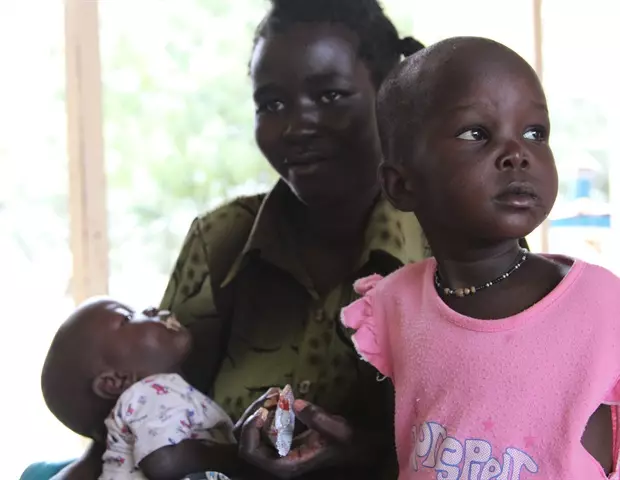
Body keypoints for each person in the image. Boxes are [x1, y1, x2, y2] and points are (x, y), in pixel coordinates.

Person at [21, 1, 427, 478]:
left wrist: (359, 453)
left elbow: (490, 442)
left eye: (330, 96)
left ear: (387, 96)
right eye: (272, 103)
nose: (297, 126)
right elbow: (128, 419)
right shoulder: (221, 243)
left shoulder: (449, 249)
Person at [341, 36, 620, 479]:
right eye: (476, 133)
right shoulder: (394, 305)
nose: (517, 155)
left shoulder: (600, 304)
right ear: (401, 184)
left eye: (535, 133)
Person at [40, 298, 237, 480]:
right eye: (128, 317)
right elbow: (162, 462)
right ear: (116, 381)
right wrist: (237, 458)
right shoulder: (149, 393)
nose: (150, 309)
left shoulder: (151, 400)